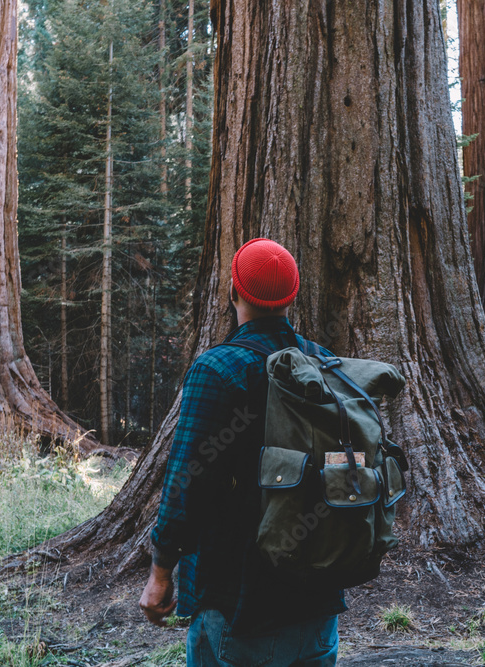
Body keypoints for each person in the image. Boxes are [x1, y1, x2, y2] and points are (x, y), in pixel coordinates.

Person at [140, 238, 344, 666]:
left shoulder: (218, 370)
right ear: (292, 296)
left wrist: (160, 573)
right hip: (320, 607)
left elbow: (185, 484)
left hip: (240, 608)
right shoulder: (324, 365)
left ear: (233, 291)